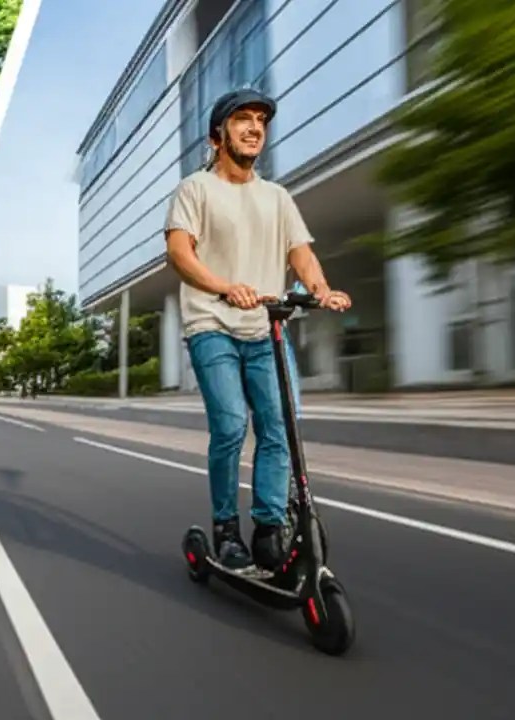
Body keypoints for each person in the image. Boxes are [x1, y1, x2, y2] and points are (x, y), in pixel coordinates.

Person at [163, 88, 351, 572]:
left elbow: (300, 252)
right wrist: (225, 288)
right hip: (211, 325)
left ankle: (269, 528)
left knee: (281, 428)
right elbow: (180, 254)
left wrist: (321, 288)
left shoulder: (277, 197)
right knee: (230, 426)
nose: (253, 128)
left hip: (264, 328)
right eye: (242, 119)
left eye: (260, 121)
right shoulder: (195, 190)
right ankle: (226, 528)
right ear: (217, 136)